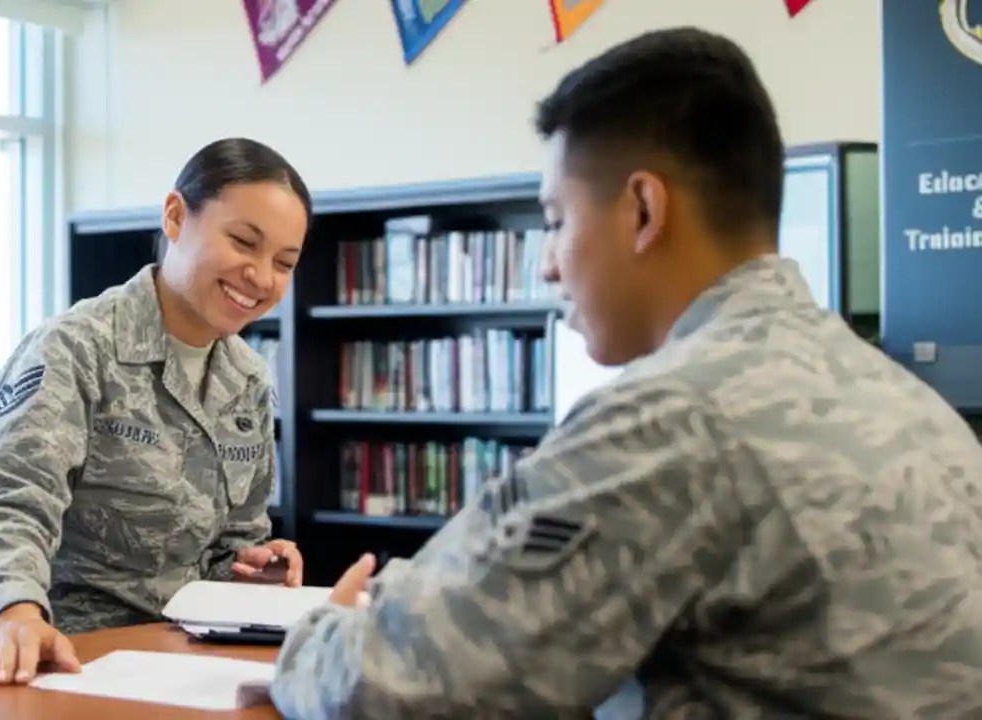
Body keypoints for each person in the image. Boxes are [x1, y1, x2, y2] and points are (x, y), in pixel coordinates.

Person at [269, 27, 982, 719]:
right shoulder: (910, 403)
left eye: (554, 220)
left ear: (643, 208)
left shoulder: (673, 418)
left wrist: (318, 632)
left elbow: (408, 688)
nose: (547, 263)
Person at [0, 136, 311, 686]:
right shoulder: (75, 349)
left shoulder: (249, 379)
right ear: (175, 216)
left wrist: (251, 569)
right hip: (55, 657)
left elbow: (228, 546)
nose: (261, 278)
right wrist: (16, 614)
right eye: (243, 242)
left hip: (176, 662)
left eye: (283, 263)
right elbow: (7, 507)